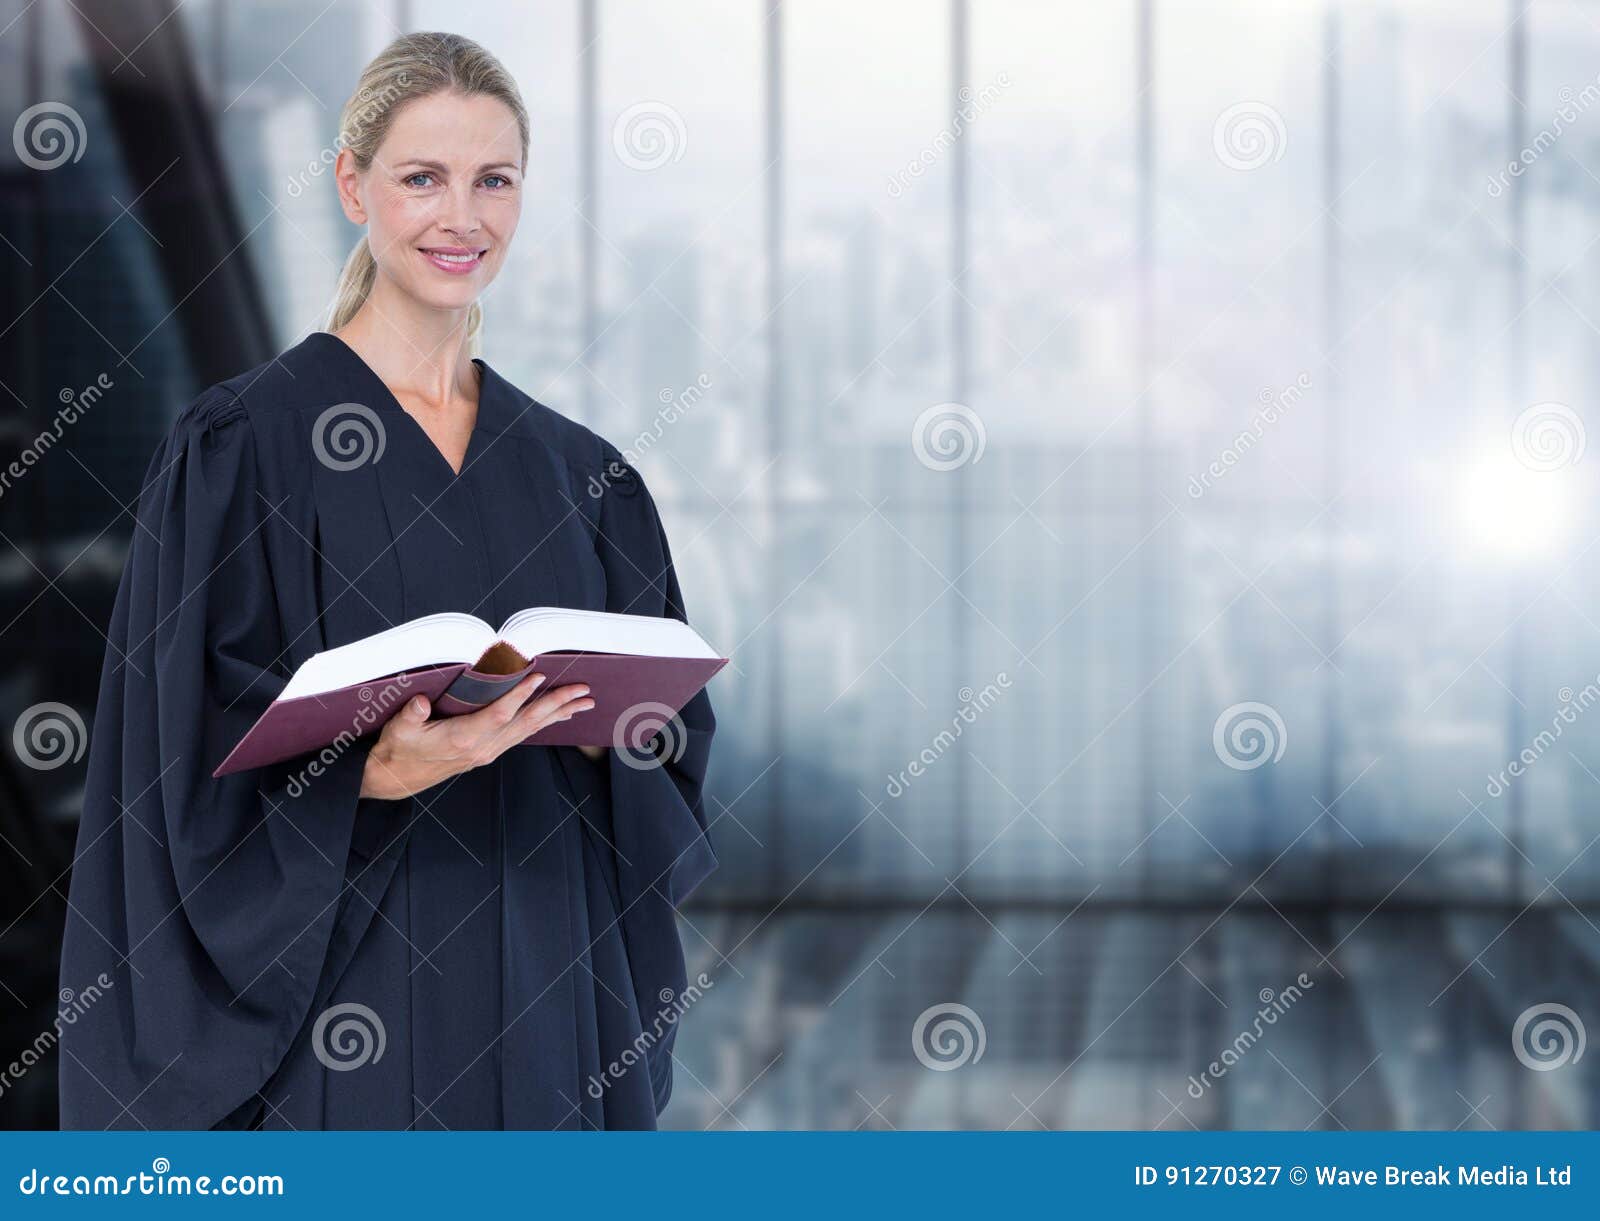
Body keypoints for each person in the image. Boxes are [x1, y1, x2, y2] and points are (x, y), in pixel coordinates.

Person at [57, 31, 716, 1130]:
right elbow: (170, 766)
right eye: (423, 178)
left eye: (492, 180)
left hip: (549, 999)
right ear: (351, 185)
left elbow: (672, 763)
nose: (461, 217)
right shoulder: (241, 449)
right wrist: (364, 777)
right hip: (337, 1018)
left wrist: (618, 733)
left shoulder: (585, 476)